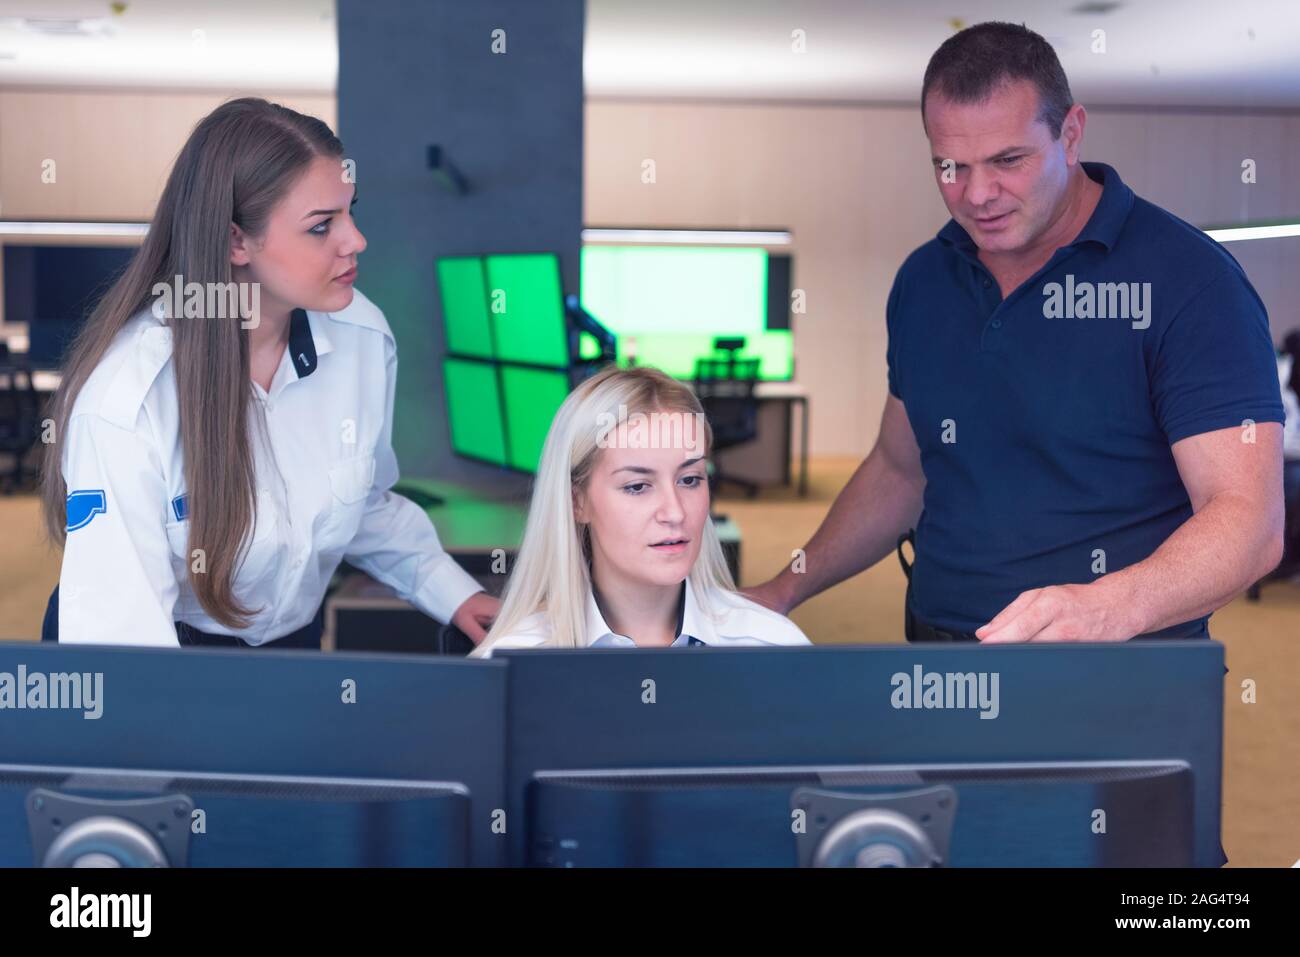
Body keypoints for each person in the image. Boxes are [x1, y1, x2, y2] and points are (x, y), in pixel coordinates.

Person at [744, 22, 1285, 643]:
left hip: (1119, 662)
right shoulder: (925, 279)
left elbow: (1249, 520)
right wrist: (783, 589)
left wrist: (1107, 608)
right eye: (951, 166)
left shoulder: (1192, 281)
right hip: (939, 648)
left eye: (1008, 161)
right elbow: (901, 470)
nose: (977, 195)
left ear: (1071, 133)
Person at [40, 97, 500, 649]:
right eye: (321, 226)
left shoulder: (361, 336)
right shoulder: (127, 400)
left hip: (290, 646)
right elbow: (122, 642)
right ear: (237, 241)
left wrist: (452, 591)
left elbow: (364, 501)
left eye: (352, 212)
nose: (356, 241)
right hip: (163, 655)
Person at [473, 365, 810, 657]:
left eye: (690, 479)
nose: (675, 512)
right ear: (578, 502)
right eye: (637, 486)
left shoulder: (774, 647)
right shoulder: (513, 662)